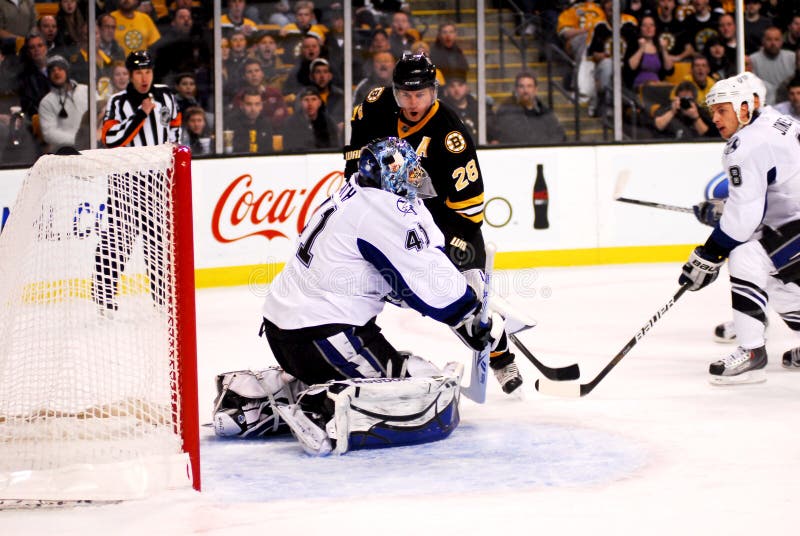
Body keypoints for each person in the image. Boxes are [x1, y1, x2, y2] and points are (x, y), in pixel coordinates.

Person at [256, 137, 502, 454]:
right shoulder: (381, 211)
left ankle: (259, 400)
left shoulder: (353, 194)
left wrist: (461, 308)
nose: (414, 180)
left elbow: (394, 282)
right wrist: (467, 311)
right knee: (418, 401)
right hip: (322, 337)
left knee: (406, 374)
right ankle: (321, 411)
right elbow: (428, 282)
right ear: (389, 177)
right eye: (408, 174)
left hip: (294, 331)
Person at [344, 53, 524, 394]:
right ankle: (353, 345)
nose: (413, 103)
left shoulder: (450, 135)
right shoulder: (375, 105)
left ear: (434, 92)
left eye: (421, 94)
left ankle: (500, 356)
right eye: (406, 95)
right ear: (394, 92)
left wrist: (445, 247)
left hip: (443, 219)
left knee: (462, 291)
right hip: (386, 215)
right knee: (361, 278)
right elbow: (354, 161)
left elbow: (469, 213)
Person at [678, 75, 800, 384]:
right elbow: (769, 189)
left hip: (792, 226)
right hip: (791, 224)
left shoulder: (745, 145)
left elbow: (744, 219)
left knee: (746, 253)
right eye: (713, 111)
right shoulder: (774, 120)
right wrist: (727, 210)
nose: (715, 118)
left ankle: (752, 351)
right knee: (775, 280)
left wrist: (709, 254)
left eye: (722, 110)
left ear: (748, 106)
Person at [94, 50, 181, 314]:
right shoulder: (118, 102)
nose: (144, 78)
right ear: (130, 75)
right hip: (125, 181)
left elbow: (175, 131)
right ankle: (105, 296)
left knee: (158, 240)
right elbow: (111, 139)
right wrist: (141, 115)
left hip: (156, 180)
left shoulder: (166, 95)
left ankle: (161, 297)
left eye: (147, 71)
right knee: (118, 239)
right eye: (138, 73)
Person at [495, 71, 566, 145]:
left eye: (529, 86)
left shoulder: (544, 112)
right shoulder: (506, 111)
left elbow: (559, 134)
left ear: (535, 90)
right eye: (521, 86)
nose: (525, 91)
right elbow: (513, 137)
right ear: (516, 89)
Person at [37, 54, 88, 153]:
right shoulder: (46, 102)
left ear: (67, 71)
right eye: (52, 71)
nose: (56, 72)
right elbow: (49, 134)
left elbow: (101, 112)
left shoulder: (86, 90)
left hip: (94, 144)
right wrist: (78, 140)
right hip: (65, 150)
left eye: (60, 69)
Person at [652, 80, 718, 139]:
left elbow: (709, 136)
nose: (685, 102)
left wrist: (696, 118)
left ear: (694, 100)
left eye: (689, 100)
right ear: (676, 98)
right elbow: (658, 126)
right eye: (682, 99)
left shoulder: (700, 111)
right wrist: (672, 112)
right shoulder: (668, 108)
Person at [283, 86, 338, 151]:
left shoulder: (328, 122)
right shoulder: (290, 123)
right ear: (300, 103)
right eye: (306, 100)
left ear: (319, 103)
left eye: (314, 99)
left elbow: (335, 147)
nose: (310, 104)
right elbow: (289, 148)